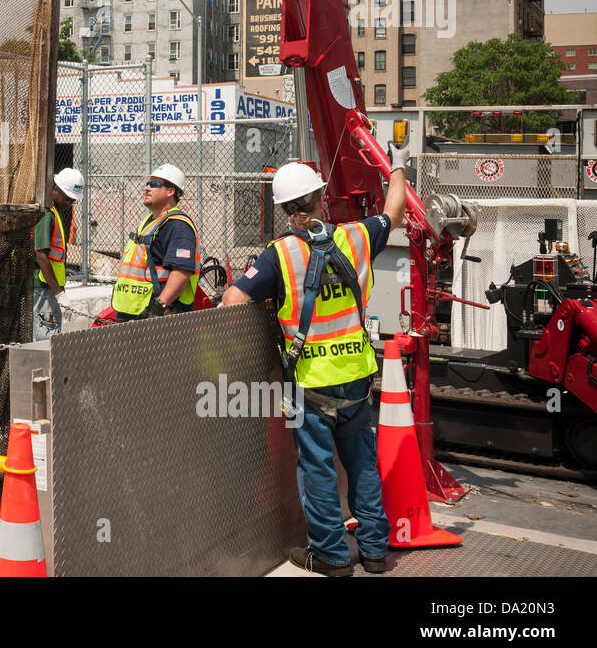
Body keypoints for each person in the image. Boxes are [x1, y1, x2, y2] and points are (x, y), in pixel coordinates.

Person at [222, 142, 411, 576]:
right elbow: (395, 212)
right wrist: (397, 167)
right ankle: (376, 552)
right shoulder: (355, 237)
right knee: (362, 464)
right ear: (321, 199)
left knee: (318, 469)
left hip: (311, 385)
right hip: (358, 377)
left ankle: (329, 554)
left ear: (283, 208)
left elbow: (233, 301)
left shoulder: (280, 255)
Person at [111, 164, 200, 321]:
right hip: (132, 310)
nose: (147, 188)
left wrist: (159, 306)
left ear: (170, 191)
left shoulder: (178, 226)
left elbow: (181, 272)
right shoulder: (149, 221)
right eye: (147, 184)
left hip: (157, 315)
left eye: (154, 184)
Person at [33, 168, 83, 340]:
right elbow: (41, 256)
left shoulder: (54, 213)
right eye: (67, 198)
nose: (69, 203)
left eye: (73, 201)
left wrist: (59, 292)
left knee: (52, 335)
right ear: (55, 188)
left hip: (51, 288)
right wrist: (59, 294)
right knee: (45, 338)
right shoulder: (47, 215)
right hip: (43, 289)